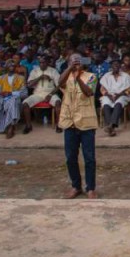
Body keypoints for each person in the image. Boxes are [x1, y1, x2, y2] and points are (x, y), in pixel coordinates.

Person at [58, 53, 99, 199]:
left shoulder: (91, 76)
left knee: (89, 158)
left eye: (78, 61)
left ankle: (90, 188)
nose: (76, 63)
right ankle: (76, 186)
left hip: (87, 123)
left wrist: (78, 78)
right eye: (73, 60)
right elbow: (59, 83)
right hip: (69, 122)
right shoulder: (66, 75)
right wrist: (70, 69)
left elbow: (89, 92)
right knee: (70, 157)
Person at [22, 55, 62, 134]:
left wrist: (50, 95)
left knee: (58, 103)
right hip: (37, 94)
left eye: (44, 62)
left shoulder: (53, 71)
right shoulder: (35, 71)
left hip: (50, 93)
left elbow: (58, 86)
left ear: (47, 63)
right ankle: (28, 125)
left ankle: (59, 125)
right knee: (25, 104)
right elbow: (29, 85)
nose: (42, 64)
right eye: (40, 63)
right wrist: (40, 77)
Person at [99, 57, 130, 136]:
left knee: (119, 103)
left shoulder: (126, 76)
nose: (116, 67)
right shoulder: (106, 76)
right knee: (105, 103)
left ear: (120, 66)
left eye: (117, 65)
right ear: (111, 66)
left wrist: (119, 95)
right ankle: (111, 127)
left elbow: (129, 89)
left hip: (122, 95)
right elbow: (102, 89)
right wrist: (109, 95)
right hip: (109, 95)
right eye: (114, 65)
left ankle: (111, 126)